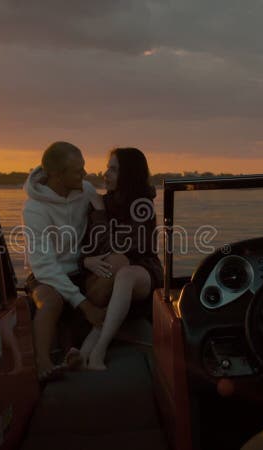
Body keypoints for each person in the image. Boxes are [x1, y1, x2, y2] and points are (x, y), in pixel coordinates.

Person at [23, 141, 107, 382]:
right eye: (78, 171)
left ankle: (78, 349)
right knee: (51, 300)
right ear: (57, 176)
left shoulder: (85, 190)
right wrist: (84, 304)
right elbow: (44, 266)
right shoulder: (34, 209)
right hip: (46, 276)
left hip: (80, 268)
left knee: (113, 275)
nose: (85, 174)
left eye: (84, 168)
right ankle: (43, 361)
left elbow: (109, 213)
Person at [78, 147, 163, 370]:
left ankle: (98, 349)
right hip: (107, 277)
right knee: (118, 266)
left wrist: (99, 212)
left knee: (123, 269)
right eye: (107, 168)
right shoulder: (101, 203)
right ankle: (88, 348)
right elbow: (90, 246)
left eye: (113, 170)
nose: (105, 174)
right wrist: (86, 260)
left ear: (129, 174)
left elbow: (121, 247)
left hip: (142, 270)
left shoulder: (142, 206)